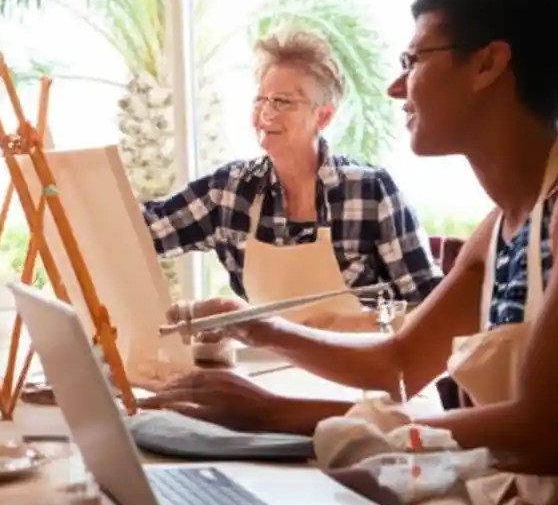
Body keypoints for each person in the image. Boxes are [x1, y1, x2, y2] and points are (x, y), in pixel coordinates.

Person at [142, 0, 558, 505]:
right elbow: (398, 363)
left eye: (413, 61)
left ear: (488, 63)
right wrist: (261, 328)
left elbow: (545, 433)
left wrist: (274, 412)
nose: (397, 87)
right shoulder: (501, 228)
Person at [145, 28, 441, 331]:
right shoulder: (229, 191)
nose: (265, 114)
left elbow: (430, 307)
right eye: (260, 100)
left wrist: (356, 323)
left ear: (323, 117)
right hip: (260, 373)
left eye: (283, 102)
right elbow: (144, 232)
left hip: (356, 373)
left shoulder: (370, 191)